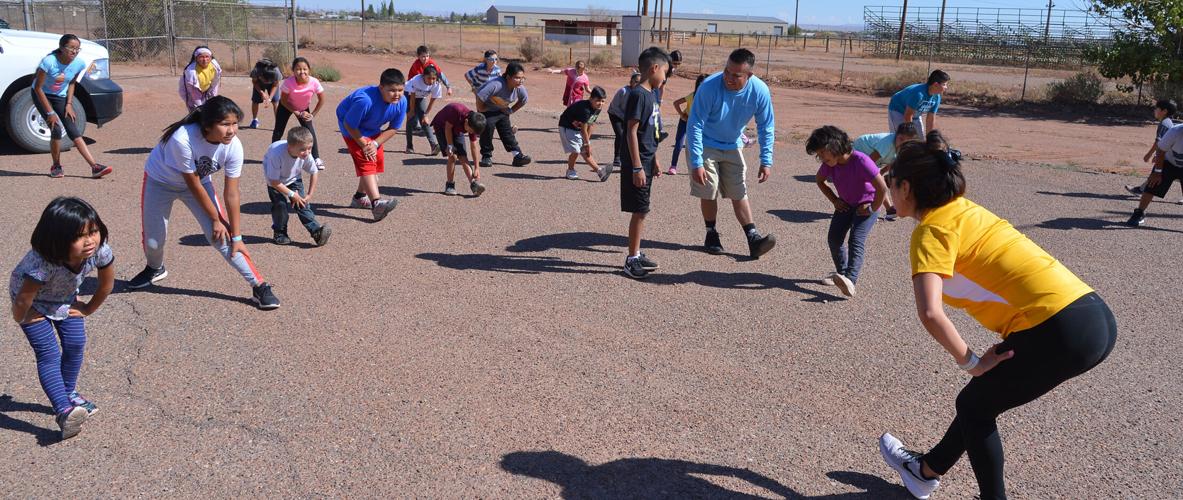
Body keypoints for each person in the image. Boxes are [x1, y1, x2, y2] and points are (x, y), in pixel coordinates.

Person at [878, 131, 1116, 500]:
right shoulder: (965, 210)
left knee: (974, 403)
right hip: (1092, 315)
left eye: (891, 182)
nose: (889, 191)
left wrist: (970, 361)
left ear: (907, 187)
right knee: (980, 402)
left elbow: (930, 313)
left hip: (1057, 330)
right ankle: (925, 470)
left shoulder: (930, 232)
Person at [126, 96, 281, 310]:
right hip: (160, 181)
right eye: (225, 124)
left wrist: (236, 235)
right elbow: (192, 183)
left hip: (200, 183)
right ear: (207, 125)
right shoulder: (182, 139)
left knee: (222, 237)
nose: (232, 130)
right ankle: (155, 268)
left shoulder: (234, 146)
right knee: (154, 242)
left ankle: (259, 286)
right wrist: (215, 218)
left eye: (235, 123)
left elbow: (232, 193)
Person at [9, 197, 114, 440]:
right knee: (49, 353)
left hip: (65, 296)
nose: (89, 241)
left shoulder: (100, 251)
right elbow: (24, 298)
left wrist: (88, 309)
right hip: (30, 303)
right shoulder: (43, 263)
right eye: (78, 236)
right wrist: (22, 318)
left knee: (76, 343)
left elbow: (106, 284)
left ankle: (68, 392)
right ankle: (64, 410)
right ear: (56, 240)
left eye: (94, 231)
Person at [685, 48, 777, 259]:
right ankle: (711, 233)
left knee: (739, 190)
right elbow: (695, 124)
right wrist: (697, 162)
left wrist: (766, 160)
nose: (729, 78)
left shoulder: (759, 91)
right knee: (709, 188)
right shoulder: (709, 87)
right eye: (727, 71)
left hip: (732, 144)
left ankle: (753, 238)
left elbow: (766, 127)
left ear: (749, 75)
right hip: (705, 143)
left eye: (736, 75)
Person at [808, 126, 888, 298]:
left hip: (866, 206)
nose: (821, 158)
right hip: (845, 204)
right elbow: (820, 181)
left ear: (835, 147)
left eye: (822, 153)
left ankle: (850, 280)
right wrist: (835, 200)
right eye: (818, 155)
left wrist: (872, 208)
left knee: (855, 240)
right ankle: (841, 275)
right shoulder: (829, 164)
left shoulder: (861, 161)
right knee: (834, 239)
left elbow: (882, 188)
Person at [31, 34, 112, 179]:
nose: (74, 51)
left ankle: (95, 167)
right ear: (62, 48)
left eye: (77, 49)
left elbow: (72, 83)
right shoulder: (49, 62)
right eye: (71, 48)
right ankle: (56, 166)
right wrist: (50, 113)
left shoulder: (79, 64)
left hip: (60, 97)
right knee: (55, 129)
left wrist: (69, 104)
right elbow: (37, 88)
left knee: (72, 129)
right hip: (42, 94)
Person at [620, 47, 670, 280]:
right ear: (654, 69)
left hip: (648, 160)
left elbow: (649, 132)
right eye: (665, 73)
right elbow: (630, 131)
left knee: (643, 210)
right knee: (640, 211)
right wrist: (638, 166)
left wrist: (656, 160)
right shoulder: (639, 94)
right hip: (638, 163)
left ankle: (637, 253)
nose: (666, 78)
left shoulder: (651, 94)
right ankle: (631, 260)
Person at [263, 127, 331, 246]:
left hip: (294, 178)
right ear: (290, 147)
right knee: (280, 206)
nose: (307, 152)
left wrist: (309, 194)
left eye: (310, 148)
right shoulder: (276, 154)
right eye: (303, 149)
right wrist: (292, 194)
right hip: (275, 180)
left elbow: (314, 172)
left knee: (302, 204)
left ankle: (316, 232)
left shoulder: (306, 154)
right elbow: (274, 181)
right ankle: (280, 233)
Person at [852, 122, 922, 220]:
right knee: (872, 182)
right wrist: (876, 175)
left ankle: (889, 209)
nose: (903, 143)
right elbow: (870, 161)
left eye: (907, 141)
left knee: (878, 181)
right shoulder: (888, 143)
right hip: (860, 152)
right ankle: (872, 208)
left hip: (874, 159)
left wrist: (882, 172)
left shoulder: (906, 147)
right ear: (896, 135)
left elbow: (893, 162)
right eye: (901, 139)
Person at [1127, 119, 1183, 227]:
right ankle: (1139, 213)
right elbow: (1161, 151)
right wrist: (1157, 172)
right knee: (1152, 185)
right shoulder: (1175, 131)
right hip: (1168, 162)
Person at [273, 57, 327, 170]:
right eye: (298, 69)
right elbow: (283, 100)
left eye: (305, 69)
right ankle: (273, 155)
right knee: (278, 130)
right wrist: (296, 112)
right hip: (286, 106)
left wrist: (312, 114)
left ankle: (316, 158)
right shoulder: (289, 82)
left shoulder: (314, 82)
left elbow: (322, 99)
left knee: (310, 132)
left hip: (303, 108)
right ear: (293, 71)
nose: (302, 71)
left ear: (309, 70)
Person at [476, 62, 532, 168]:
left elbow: (523, 100)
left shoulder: (519, 88)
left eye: (523, 78)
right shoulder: (496, 84)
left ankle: (517, 156)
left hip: (502, 110)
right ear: (508, 77)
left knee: (507, 133)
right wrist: (482, 109)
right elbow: (480, 96)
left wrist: (510, 111)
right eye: (517, 78)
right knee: (487, 129)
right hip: (487, 110)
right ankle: (486, 157)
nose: (521, 80)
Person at [431, 102, 487, 196]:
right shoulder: (457, 110)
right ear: (466, 122)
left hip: (457, 129)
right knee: (452, 156)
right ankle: (450, 185)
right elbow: (448, 128)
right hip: (442, 127)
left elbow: (474, 146)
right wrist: (450, 145)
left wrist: (477, 168)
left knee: (463, 156)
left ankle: (474, 185)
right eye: (470, 131)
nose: (470, 133)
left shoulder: (473, 124)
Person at [1125, 99, 1177, 196]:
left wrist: (1149, 155)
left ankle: (1141, 191)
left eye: (1157, 108)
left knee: (1158, 173)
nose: (1154, 110)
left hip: (1169, 156)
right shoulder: (1168, 122)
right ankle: (1141, 189)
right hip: (1169, 155)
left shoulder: (1165, 123)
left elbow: (1159, 142)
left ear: (1164, 111)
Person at [558, 85, 609, 182]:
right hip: (566, 126)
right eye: (598, 100)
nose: (600, 103)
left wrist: (587, 142)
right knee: (576, 150)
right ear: (590, 98)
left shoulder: (597, 109)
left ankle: (600, 172)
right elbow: (584, 129)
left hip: (577, 128)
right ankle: (570, 171)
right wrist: (586, 144)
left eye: (603, 101)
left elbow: (591, 124)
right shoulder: (585, 109)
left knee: (584, 150)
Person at [888, 69, 949, 136]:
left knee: (920, 140)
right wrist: (910, 134)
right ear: (936, 84)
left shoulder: (937, 97)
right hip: (898, 110)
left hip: (914, 113)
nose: (946, 87)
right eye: (944, 84)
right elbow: (908, 115)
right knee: (901, 139)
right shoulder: (918, 94)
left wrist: (929, 139)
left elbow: (930, 119)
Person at [668, 73, 706, 175]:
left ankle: (699, 167)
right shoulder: (691, 96)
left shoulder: (708, 99)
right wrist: (682, 115)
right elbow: (676, 103)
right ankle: (673, 166)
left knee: (700, 146)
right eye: (701, 84)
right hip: (685, 122)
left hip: (698, 124)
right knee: (679, 144)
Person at [404, 66, 444, 155]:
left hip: (421, 97)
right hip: (409, 95)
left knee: (424, 120)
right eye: (429, 78)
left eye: (433, 78)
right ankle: (409, 147)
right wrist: (411, 110)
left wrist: (426, 114)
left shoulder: (437, 84)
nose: (431, 81)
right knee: (410, 119)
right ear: (423, 76)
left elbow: (433, 99)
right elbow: (413, 96)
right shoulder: (416, 80)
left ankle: (433, 146)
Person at [607, 72, 642, 168]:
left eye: (640, 82)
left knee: (632, 135)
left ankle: (629, 157)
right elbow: (614, 107)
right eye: (636, 82)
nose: (638, 84)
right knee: (620, 134)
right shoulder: (623, 91)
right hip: (615, 114)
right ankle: (617, 158)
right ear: (631, 82)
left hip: (628, 117)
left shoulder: (640, 93)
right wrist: (625, 118)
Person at [178, 46, 221, 112]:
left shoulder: (215, 66)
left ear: (211, 57)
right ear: (196, 58)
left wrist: (212, 98)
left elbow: (215, 83)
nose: (204, 60)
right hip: (190, 92)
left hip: (206, 89)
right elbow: (194, 93)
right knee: (196, 111)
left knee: (211, 108)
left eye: (207, 57)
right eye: (201, 57)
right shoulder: (191, 72)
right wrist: (200, 107)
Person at [654, 49, 682, 143]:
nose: (676, 66)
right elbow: (660, 84)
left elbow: (663, 85)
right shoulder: (663, 66)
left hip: (656, 89)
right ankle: (658, 132)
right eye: (675, 63)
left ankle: (658, 132)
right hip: (652, 88)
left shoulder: (669, 69)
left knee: (656, 111)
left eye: (678, 64)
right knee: (655, 111)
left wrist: (660, 100)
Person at [247, 58, 283, 129]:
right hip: (258, 84)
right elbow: (254, 82)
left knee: (275, 102)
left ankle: (278, 124)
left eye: (268, 81)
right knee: (255, 101)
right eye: (265, 81)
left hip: (273, 85)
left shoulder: (276, 72)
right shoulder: (256, 71)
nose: (266, 83)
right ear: (261, 76)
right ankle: (254, 120)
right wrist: (261, 92)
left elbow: (275, 85)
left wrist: (269, 99)